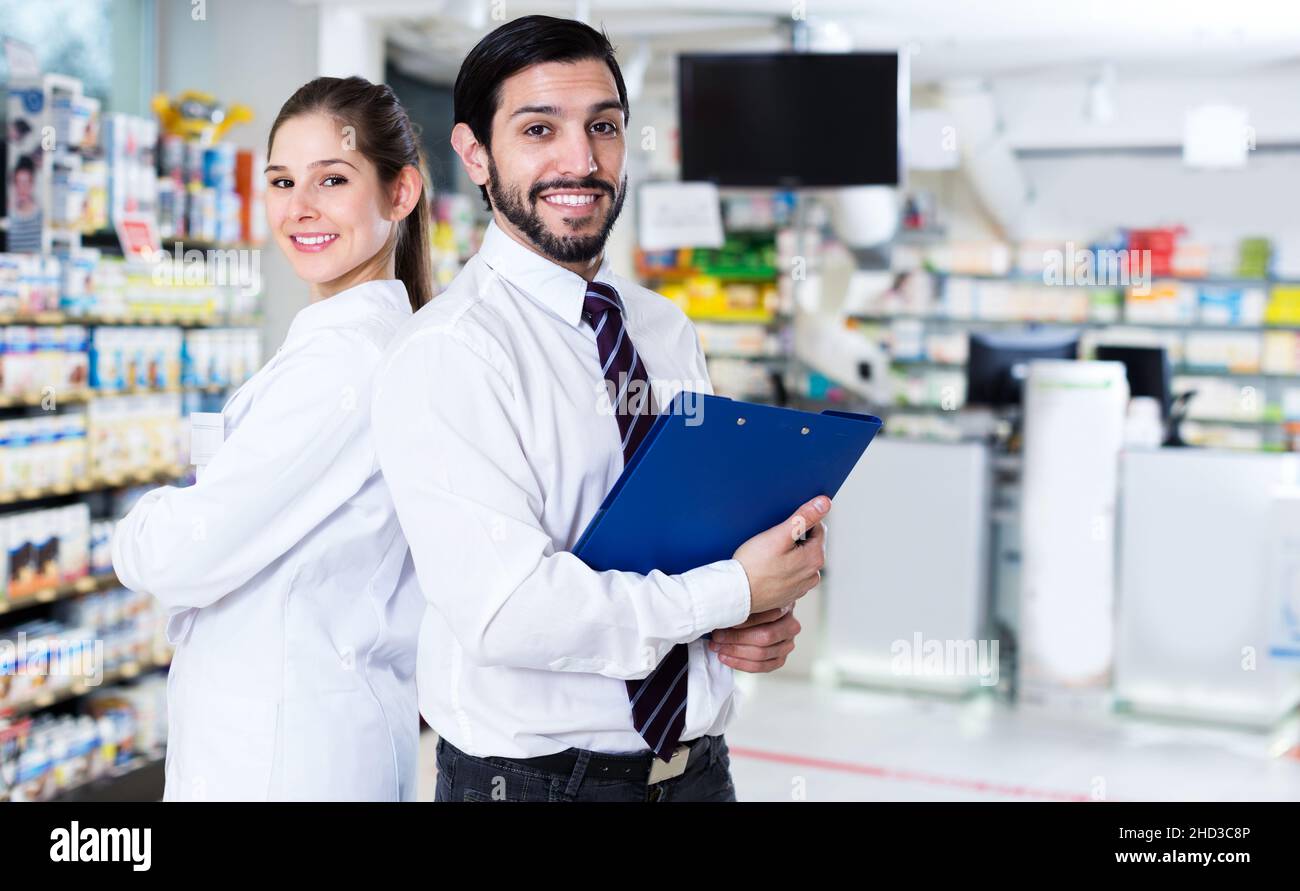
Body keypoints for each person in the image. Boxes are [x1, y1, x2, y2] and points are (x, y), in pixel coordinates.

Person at [372, 15, 829, 803]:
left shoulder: (663, 328)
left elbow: (698, 539)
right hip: (537, 786)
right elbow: (511, 611)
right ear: (475, 153)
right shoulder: (449, 352)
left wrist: (745, 622)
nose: (580, 160)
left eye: (603, 127)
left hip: (698, 773)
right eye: (539, 128)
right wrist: (730, 591)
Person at [111, 76, 429, 801]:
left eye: (333, 179)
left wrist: (136, 529)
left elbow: (177, 555)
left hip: (284, 760)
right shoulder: (364, 342)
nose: (300, 208)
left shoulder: (345, 364)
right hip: (308, 742)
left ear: (401, 193)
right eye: (283, 181)